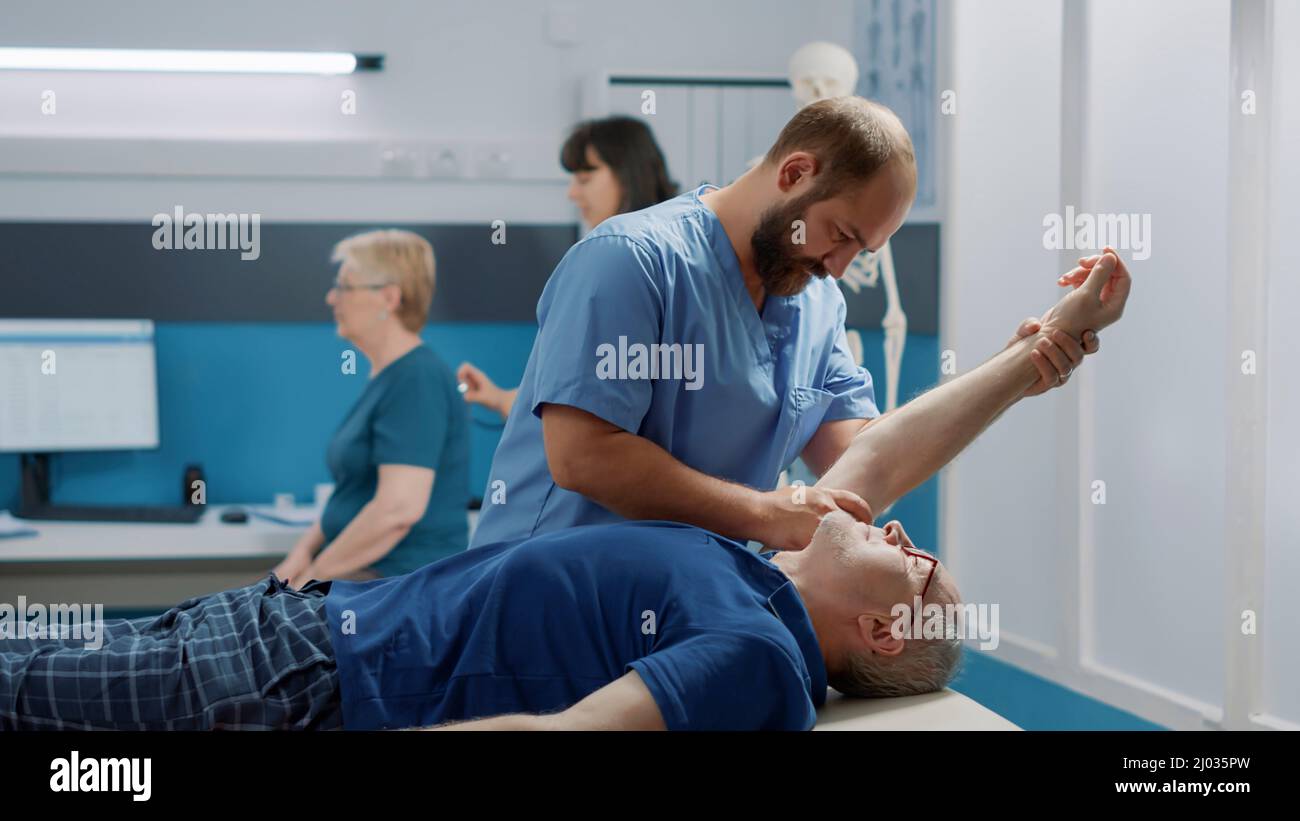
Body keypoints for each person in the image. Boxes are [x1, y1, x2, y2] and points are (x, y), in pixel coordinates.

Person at [0, 249, 1130, 731]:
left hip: (303, 679)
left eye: (912, 557)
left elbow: (568, 732)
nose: (890, 523)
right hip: (284, 626)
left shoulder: (760, 655)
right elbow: (880, 458)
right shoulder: (755, 563)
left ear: (881, 625)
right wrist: (1050, 348)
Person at [470, 96, 1099, 550]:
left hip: (678, 609)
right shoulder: (631, 261)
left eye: (863, 252)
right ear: (795, 173)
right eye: (842, 235)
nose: (839, 266)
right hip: (545, 593)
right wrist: (769, 513)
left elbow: (865, 465)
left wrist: (1020, 365)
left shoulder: (813, 302)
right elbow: (584, 458)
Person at [271, 230, 470, 585]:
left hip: (395, 588)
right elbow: (353, 492)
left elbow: (397, 511)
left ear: (389, 298)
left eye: (345, 287)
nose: (332, 298)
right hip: (358, 579)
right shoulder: (391, 378)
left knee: (209, 635)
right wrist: (300, 556)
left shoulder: (417, 379)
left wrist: (313, 577)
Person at [457, 115, 677, 420]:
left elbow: (593, 404)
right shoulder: (605, 258)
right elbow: (569, 394)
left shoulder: (640, 265)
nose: (572, 193)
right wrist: (500, 399)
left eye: (585, 179)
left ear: (630, 175)